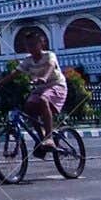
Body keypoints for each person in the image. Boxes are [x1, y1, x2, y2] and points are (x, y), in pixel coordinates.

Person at [14, 26, 67, 154]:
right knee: (29, 107)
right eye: (28, 45)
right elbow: (14, 73)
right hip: (40, 89)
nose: (30, 48)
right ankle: (41, 137)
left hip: (57, 86)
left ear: (41, 44)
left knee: (43, 99)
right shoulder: (28, 60)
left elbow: (50, 66)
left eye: (33, 44)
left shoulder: (49, 55)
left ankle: (49, 138)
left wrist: (44, 77)